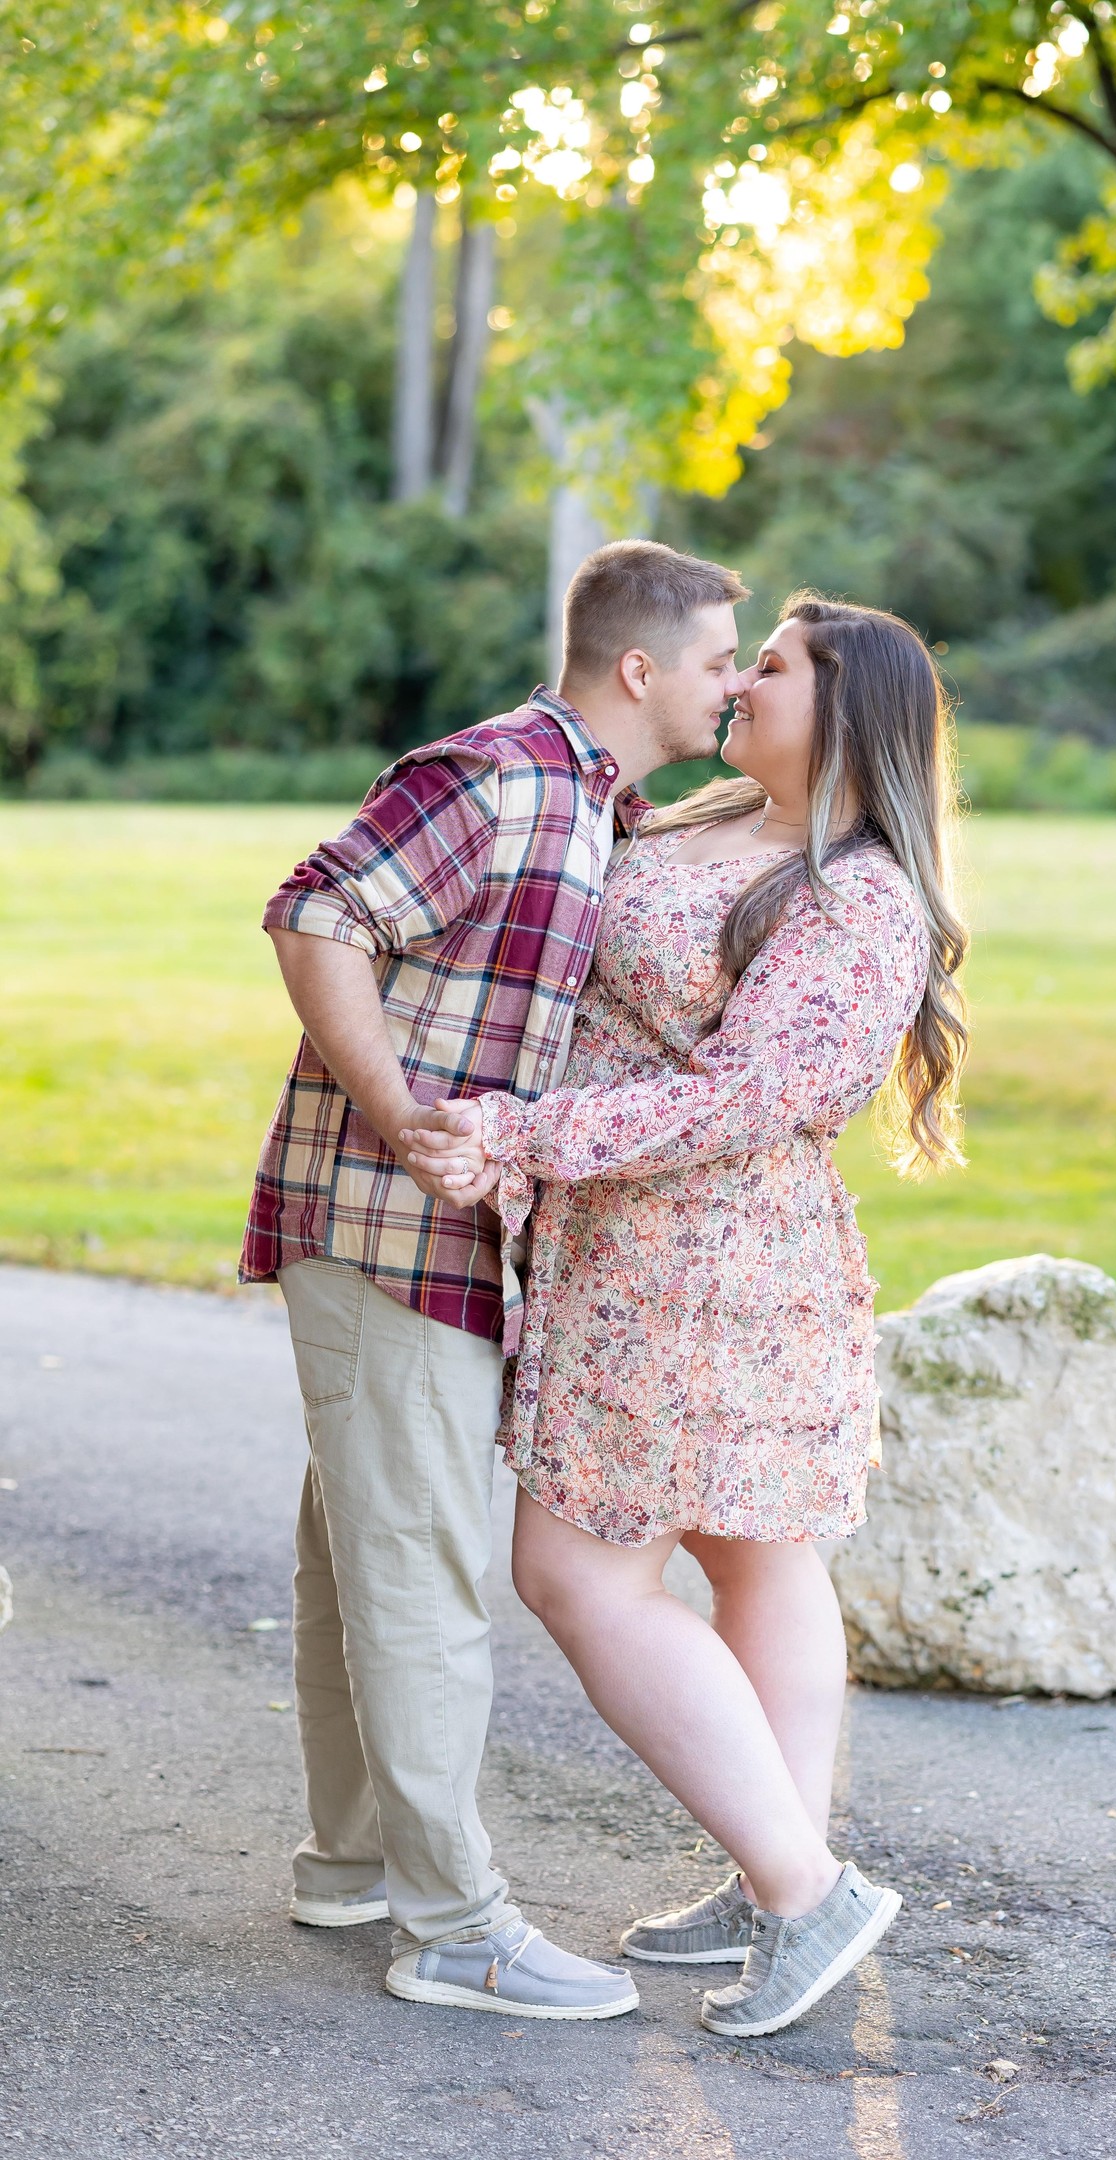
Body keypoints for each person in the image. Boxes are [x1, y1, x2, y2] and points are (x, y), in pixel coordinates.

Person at [400, 594, 969, 2037]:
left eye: (768, 669)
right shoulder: (705, 816)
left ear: (849, 713)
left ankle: (803, 1896)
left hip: (708, 1272)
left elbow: (751, 1098)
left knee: (580, 1577)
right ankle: (777, 1857)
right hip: (627, 1250)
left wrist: (522, 1134)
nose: (739, 685)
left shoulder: (858, 895)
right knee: (752, 1553)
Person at [240, 540, 749, 2018]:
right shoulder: (505, 774)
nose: (728, 687)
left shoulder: (597, 803)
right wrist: (401, 1116)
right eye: (721, 660)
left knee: (362, 1558)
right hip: (385, 1223)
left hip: (428, 1238)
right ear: (640, 668)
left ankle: (356, 1865)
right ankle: (456, 1924)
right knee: (424, 1573)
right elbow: (316, 910)